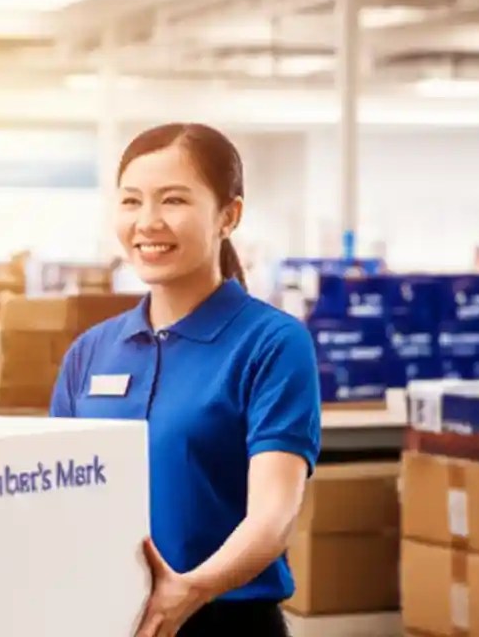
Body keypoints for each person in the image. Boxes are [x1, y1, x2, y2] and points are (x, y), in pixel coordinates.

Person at [49, 123, 321, 637]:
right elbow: (57, 501)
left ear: (229, 215)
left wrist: (189, 591)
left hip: (225, 620)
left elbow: (274, 515)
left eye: (173, 201)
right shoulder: (91, 352)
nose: (148, 222)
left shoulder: (271, 344)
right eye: (131, 202)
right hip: (107, 618)